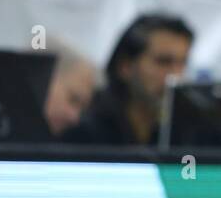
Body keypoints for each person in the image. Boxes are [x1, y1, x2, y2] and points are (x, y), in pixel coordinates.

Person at [60, 14, 192, 146]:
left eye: (183, 63)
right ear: (125, 66)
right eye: (163, 62)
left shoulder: (186, 133)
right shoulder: (82, 130)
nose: (176, 76)